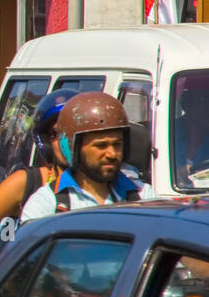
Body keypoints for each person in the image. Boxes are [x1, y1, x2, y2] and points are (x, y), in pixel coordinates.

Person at [0, 89, 78, 276]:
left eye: (72, 133)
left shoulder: (111, 187)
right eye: (56, 134)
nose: (65, 142)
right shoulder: (27, 182)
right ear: (44, 141)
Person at [20, 91, 158, 222]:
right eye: (101, 146)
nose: (112, 154)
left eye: (117, 144)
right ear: (74, 148)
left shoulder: (144, 197)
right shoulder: (46, 204)